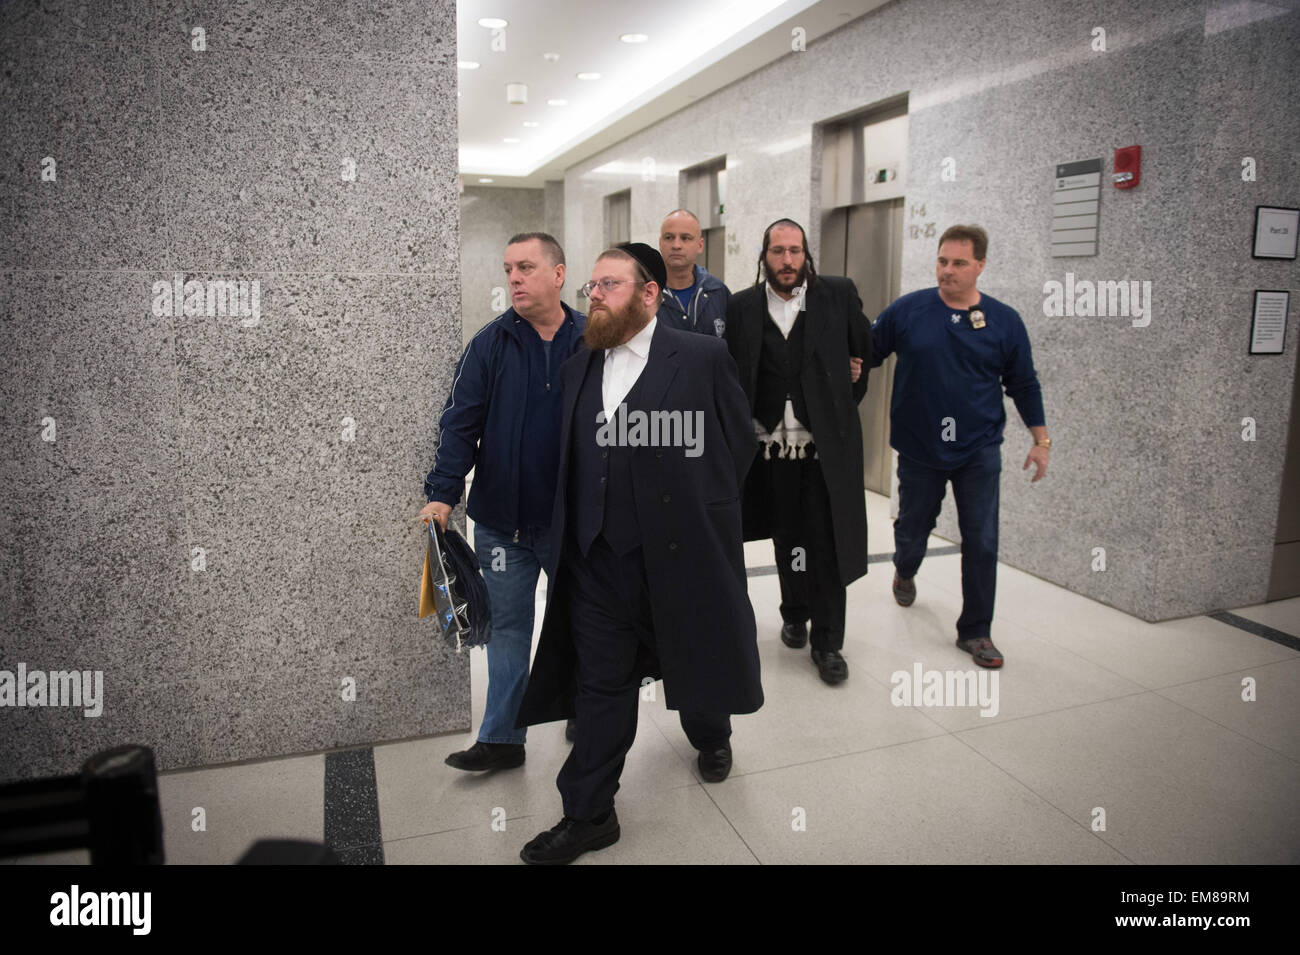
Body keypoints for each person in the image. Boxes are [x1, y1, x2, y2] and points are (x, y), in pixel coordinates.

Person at [515, 243, 761, 865]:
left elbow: (736, 444)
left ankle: (711, 733)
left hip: (680, 559)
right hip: (598, 563)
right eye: (591, 286)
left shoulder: (701, 357)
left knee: (697, 663)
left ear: (649, 294)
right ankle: (589, 814)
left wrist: (702, 510)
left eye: (610, 285)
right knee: (602, 686)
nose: (593, 295)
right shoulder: (580, 366)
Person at [418, 232, 585, 771]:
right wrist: (443, 494)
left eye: (527, 268)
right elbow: (459, 422)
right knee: (509, 631)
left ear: (558, 275)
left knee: (584, 623)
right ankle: (502, 741)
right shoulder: (489, 344)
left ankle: (586, 708)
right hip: (501, 527)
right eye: (509, 268)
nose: (513, 278)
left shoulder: (593, 340)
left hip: (574, 524)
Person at [871, 224, 1050, 669]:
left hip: (979, 448)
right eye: (942, 261)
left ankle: (975, 631)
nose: (947, 271)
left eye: (958, 263)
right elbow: (866, 353)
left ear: (981, 266)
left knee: (982, 539)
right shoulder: (909, 310)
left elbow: (1023, 383)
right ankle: (905, 568)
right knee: (914, 527)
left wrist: (1040, 439)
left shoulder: (1004, 321)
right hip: (919, 446)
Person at [724, 219, 872, 685]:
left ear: (806, 254)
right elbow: (733, 375)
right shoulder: (743, 307)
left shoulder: (838, 295)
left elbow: (864, 355)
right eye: (778, 252)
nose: (787, 261)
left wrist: (846, 389)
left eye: (795, 251)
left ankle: (828, 643)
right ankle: (795, 613)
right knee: (786, 535)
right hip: (769, 451)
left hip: (822, 452)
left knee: (825, 542)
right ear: (763, 256)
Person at [655, 209, 730, 337]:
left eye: (685, 238)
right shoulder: (645, 294)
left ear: (700, 245)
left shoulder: (718, 291)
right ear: (660, 243)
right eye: (669, 237)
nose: (676, 245)